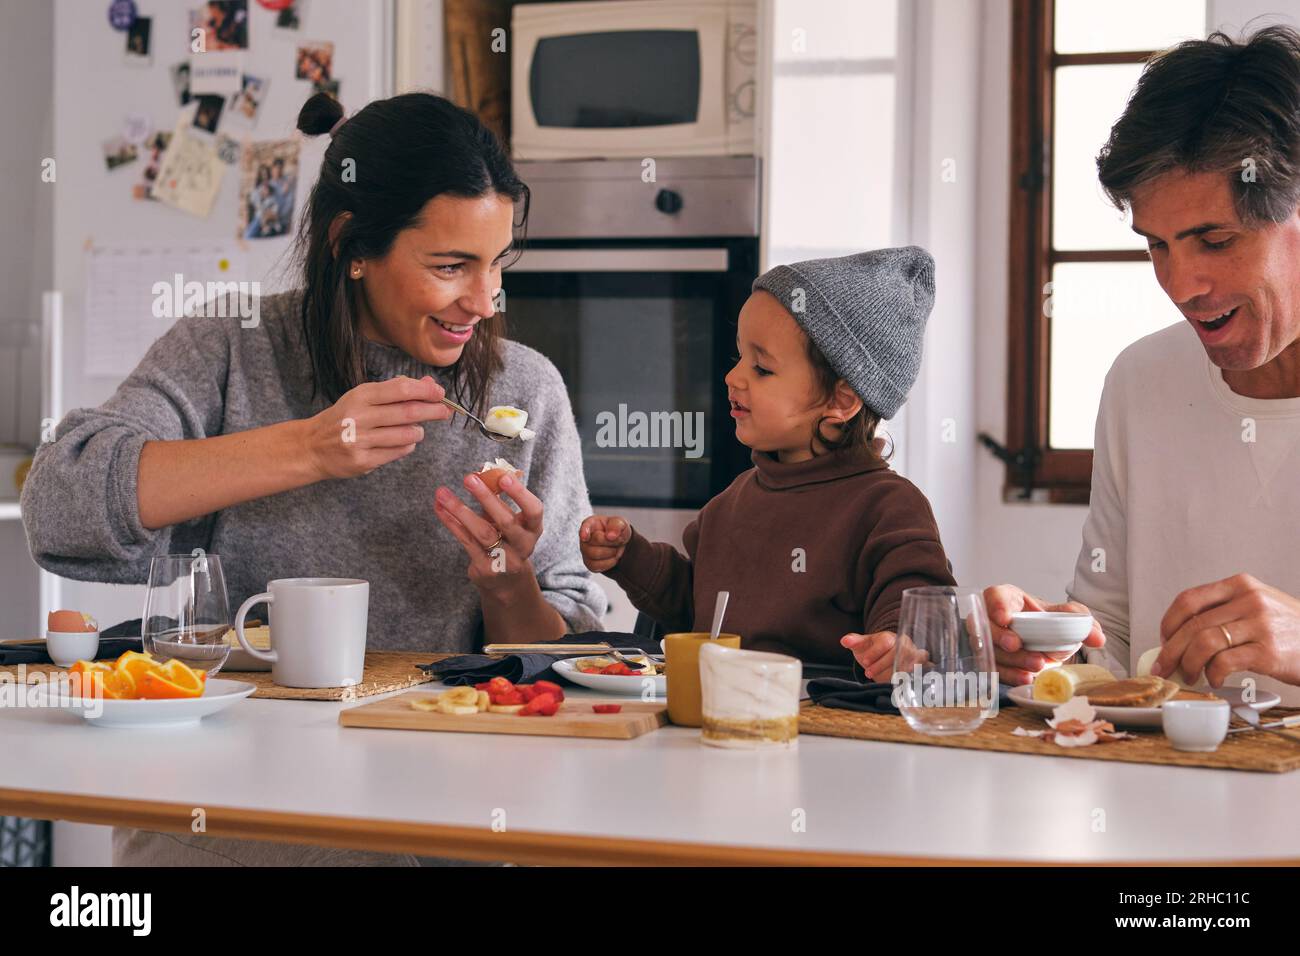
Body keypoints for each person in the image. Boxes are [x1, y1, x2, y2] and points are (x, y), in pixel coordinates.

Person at [20, 91, 607, 864]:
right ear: (351, 245)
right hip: (225, 822)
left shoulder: (524, 390)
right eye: (451, 266)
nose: (485, 298)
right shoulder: (231, 350)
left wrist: (507, 585)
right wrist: (310, 447)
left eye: (498, 262)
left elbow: (565, 672)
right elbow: (59, 507)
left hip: (442, 821)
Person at [984, 27, 1300, 706]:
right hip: (1155, 797)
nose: (1181, 284)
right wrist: (1055, 647)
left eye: (1215, 241)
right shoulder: (1142, 381)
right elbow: (1120, 639)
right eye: (1156, 245)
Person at [580, 248, 957, 668]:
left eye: (762, 368)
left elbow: (919, 601)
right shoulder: (733, 500)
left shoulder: (887, 508)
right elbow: (694, 605)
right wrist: (631, 557)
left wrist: (898, 642)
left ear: (841, 400)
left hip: (820, 725)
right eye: (739, 356)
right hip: (718, 719)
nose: (732, 376)